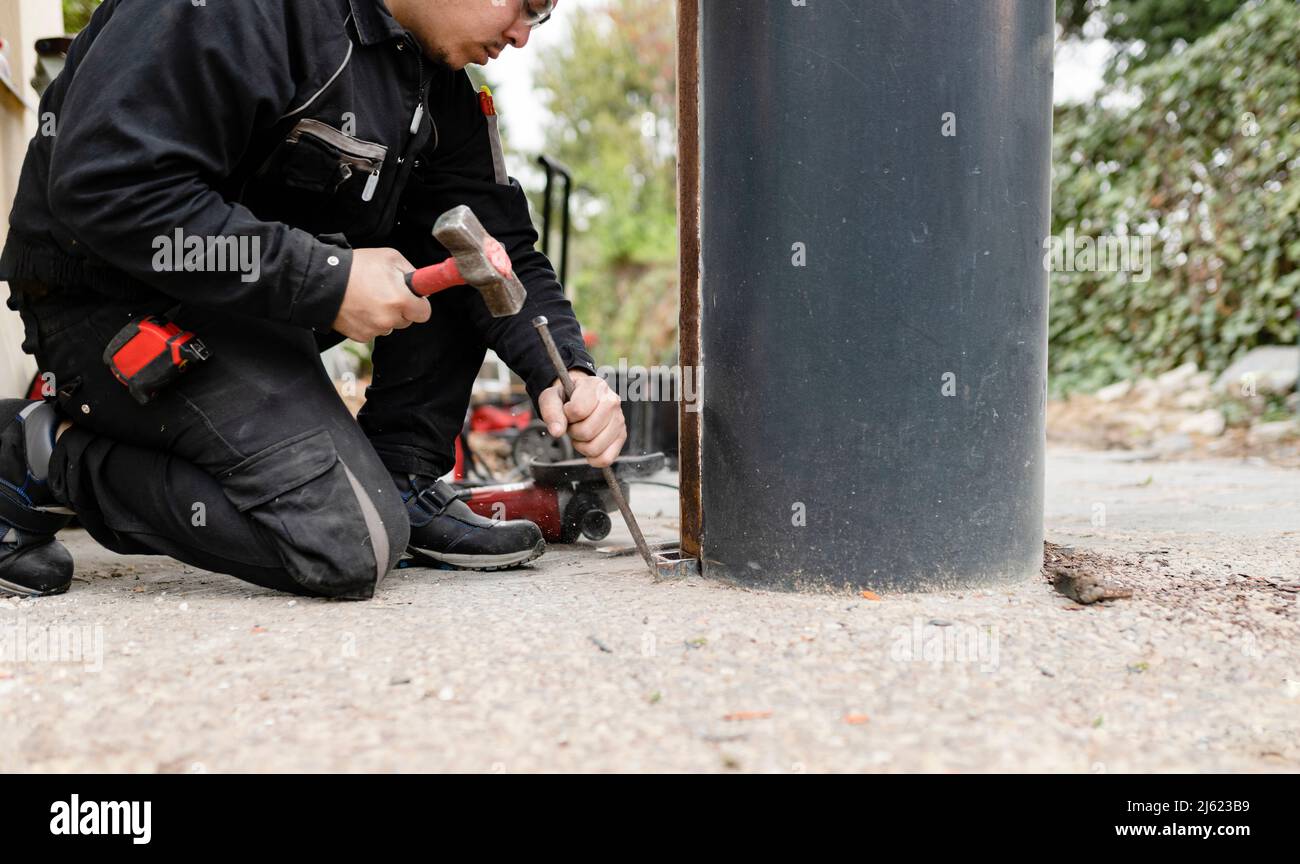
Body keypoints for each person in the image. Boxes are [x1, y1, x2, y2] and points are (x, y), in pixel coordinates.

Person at [0, 0, 626, 599]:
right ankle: (39, 454)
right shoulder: (237, 14)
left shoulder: (435, 85)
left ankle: (399, 476)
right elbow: (108, 189)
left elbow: (496, 246)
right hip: (111, 303)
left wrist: (564, 368)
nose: (524, 34)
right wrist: (327, 279)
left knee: (450, 244)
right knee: (344, 543)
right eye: (529, 3)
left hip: (248, 309)